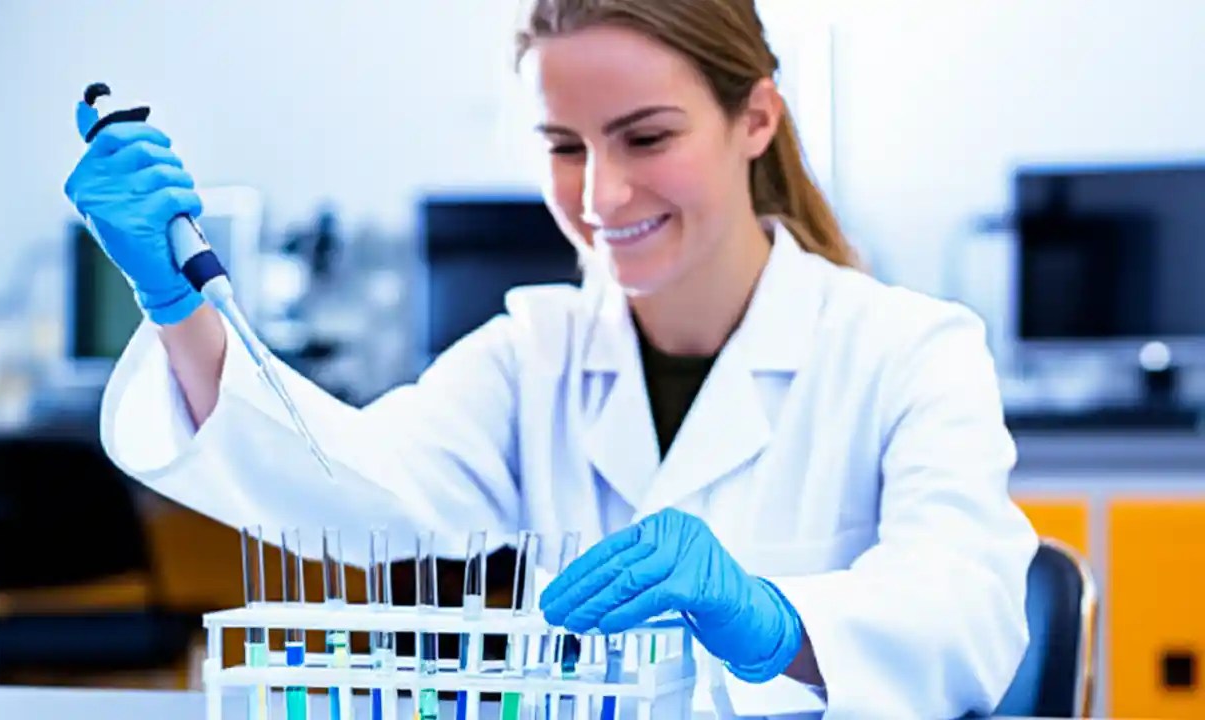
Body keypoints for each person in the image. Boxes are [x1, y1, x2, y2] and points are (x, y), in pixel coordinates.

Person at [63, 0, 1039, 716]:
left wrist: (777, 621)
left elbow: (966, 610)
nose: (602, 195)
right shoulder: (533, 354)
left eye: (645, 137)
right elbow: (350, 488)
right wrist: (177, 302)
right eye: (563, 147)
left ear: (755, 119)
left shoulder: (908, 350)